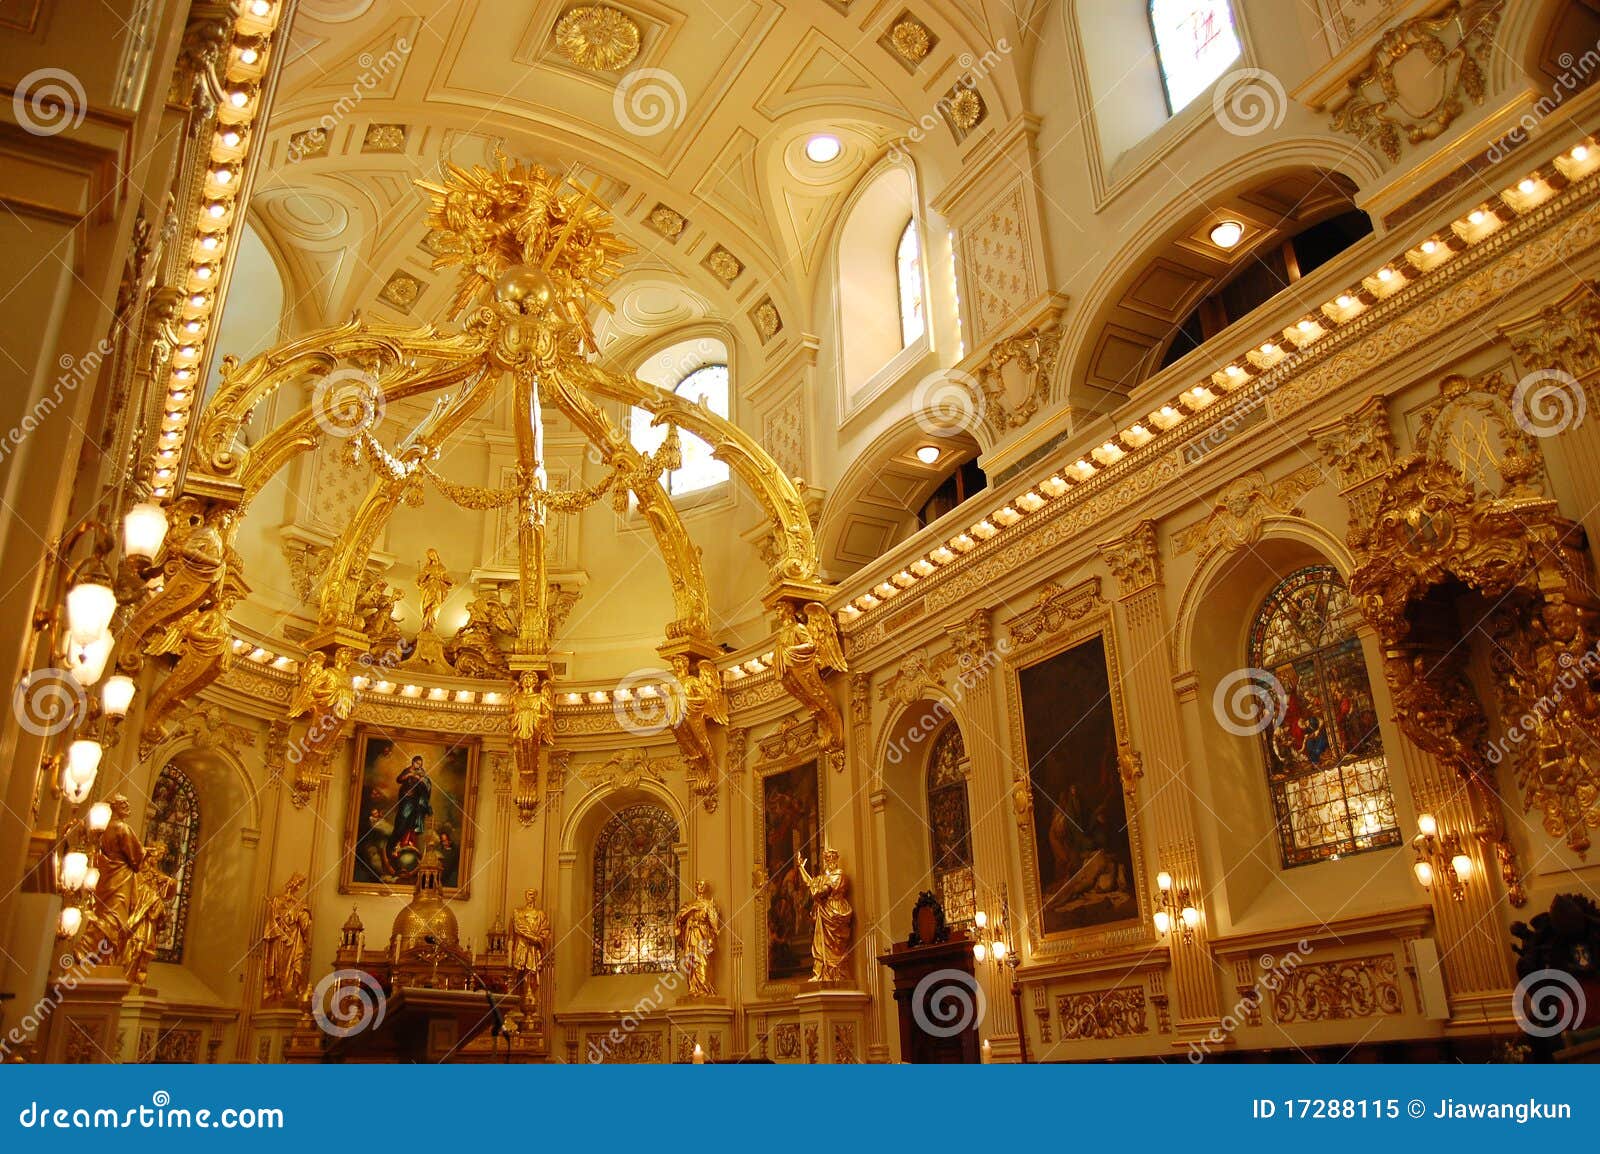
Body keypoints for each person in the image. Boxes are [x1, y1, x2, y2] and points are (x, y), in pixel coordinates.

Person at [796, 848, 853, 983]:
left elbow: (823, 891)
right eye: (827, 859)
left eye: (831, 859)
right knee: (819, 945)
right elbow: (810, 883)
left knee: (836, 946)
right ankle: (821, 973)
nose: (829, 862)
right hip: (824, 913)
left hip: (835, 911)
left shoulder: (839, 875)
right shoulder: (825, 877)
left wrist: (817, 893)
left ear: (836, 860)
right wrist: (800, 868)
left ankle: (836, 974)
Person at [674, 880, 721, 998]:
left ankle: (704, 988)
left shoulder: (708, 904)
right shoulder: (689, 904)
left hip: (702, 936)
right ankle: (693, 988)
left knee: (702, 961)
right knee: (691, 962)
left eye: (703, 885)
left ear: (706, 888)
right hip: (690, 935)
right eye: (699, 884)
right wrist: (691, 910)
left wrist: (714, 932)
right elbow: (679, 918)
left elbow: (713, 922)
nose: (700, 887)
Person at [387, 754, 432, 867]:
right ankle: (394, 846)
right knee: (402, 822)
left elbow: (427, 785)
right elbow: (399, 779)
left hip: (415, 801)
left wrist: (421, 780)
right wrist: (409, 775)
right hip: (406, 800)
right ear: (413, 762)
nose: (419, 766)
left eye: (420, 764)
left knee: (411, 823)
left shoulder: (421, 772)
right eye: (417, 763)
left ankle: (407, 843)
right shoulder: (407, 771)